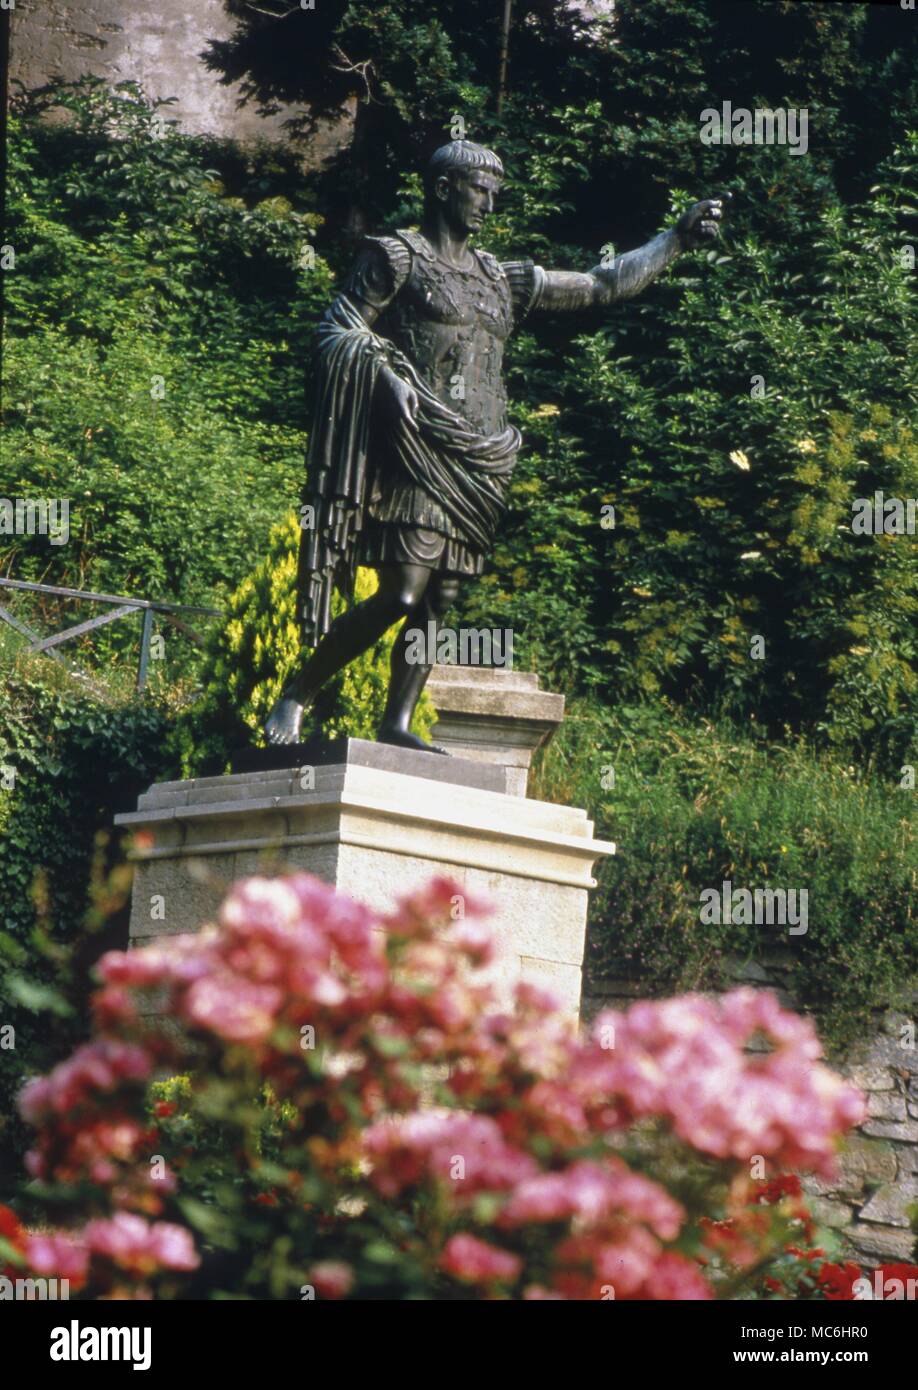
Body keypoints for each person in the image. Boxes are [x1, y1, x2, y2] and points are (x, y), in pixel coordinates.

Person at [264, 140, 722, 749]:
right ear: (443, 187)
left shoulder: (499, 277)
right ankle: (298, 693)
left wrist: (675, 239)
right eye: (479, 189)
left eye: (494, 193)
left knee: (441, 596)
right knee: (403, 589)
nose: (489, 202)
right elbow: (338, 328)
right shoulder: (396, 257)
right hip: (418, 445)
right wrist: (383, 376)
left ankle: (397, 721)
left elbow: (600, 284)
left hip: (482, 454)